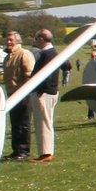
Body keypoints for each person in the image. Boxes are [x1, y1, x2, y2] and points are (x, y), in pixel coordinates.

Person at [0, 30, 35, 160]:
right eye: (7, 40)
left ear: (17, 41)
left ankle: (24, 151)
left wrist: (26, 95)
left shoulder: (24, 54)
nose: (8, 42)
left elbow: (29, 75)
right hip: (11, 95)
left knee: (23, 123)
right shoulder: (7, 57)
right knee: (15, 123)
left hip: (23, 95)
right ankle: (16, 151)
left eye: (11, 40)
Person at [31, 28, 60, 161]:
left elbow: (46, 76)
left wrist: (40, 92)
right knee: (44, 122)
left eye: (37, 38)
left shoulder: (48, 54)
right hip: (47, 92)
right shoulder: (52, 53)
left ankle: (46, 153)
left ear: (42, 39)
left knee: (43, 123)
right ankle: (45, 152)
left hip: (44, 93)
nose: (35, 41)